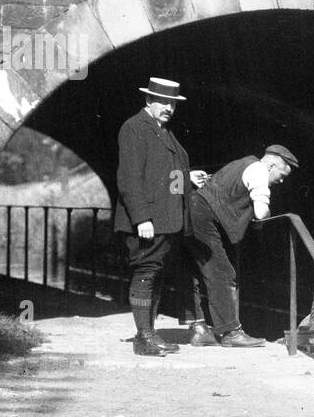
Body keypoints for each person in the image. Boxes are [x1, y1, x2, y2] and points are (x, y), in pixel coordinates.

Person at [114, 77, 211, 357]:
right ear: (148, 101)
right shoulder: (134, 128)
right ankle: (144, 338)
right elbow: (130, 178)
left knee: (154, 274)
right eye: (164, 102)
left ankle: (149, 335)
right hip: (149, 221)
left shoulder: (163, 131)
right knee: (146, 271)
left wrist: (186, 179)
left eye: (173, 104)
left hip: (167, 220)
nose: (169, 108)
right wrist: (141, 218)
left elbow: (164, 178)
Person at [187, 145, 298, 347]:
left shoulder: (242, 163)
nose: (281, 180)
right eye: (281, 174)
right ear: (271, 164)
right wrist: (262, 217)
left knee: (201, 271)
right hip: (203, 216)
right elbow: (261, 210)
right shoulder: (259, 170)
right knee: (222, 272)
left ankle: (200, 328)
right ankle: (230, 332)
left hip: (194, 211)